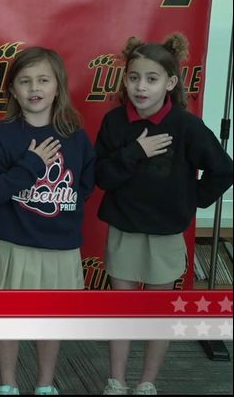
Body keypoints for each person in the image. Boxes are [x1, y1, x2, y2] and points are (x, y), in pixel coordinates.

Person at [96, 34, 234, 396]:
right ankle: (116, 380)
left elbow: (224, 169)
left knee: (159, 312)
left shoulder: (186, 126)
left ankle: (148, 382)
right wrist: (135, 151)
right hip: (124, 228)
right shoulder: (114, 123)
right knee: (122, 312)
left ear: (170, 83)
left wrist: (189, 202)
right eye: (134, 77)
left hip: (166, 233)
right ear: (125, 80)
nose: (141, 87)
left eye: (152, 79)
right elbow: (101, 176)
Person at [0, 47, 95, 396]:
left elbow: (84, 185)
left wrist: (56, 207)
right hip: (14, 243)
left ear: (58, 86)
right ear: (12, 89)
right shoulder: (1, 136)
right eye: (25, 81)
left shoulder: (76, 136)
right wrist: (30, 164)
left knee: (51, 320)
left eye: (43, 79)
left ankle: (45, 382)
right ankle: (7, 383)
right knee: (8, 319)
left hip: (59, 246)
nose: (34, 88)